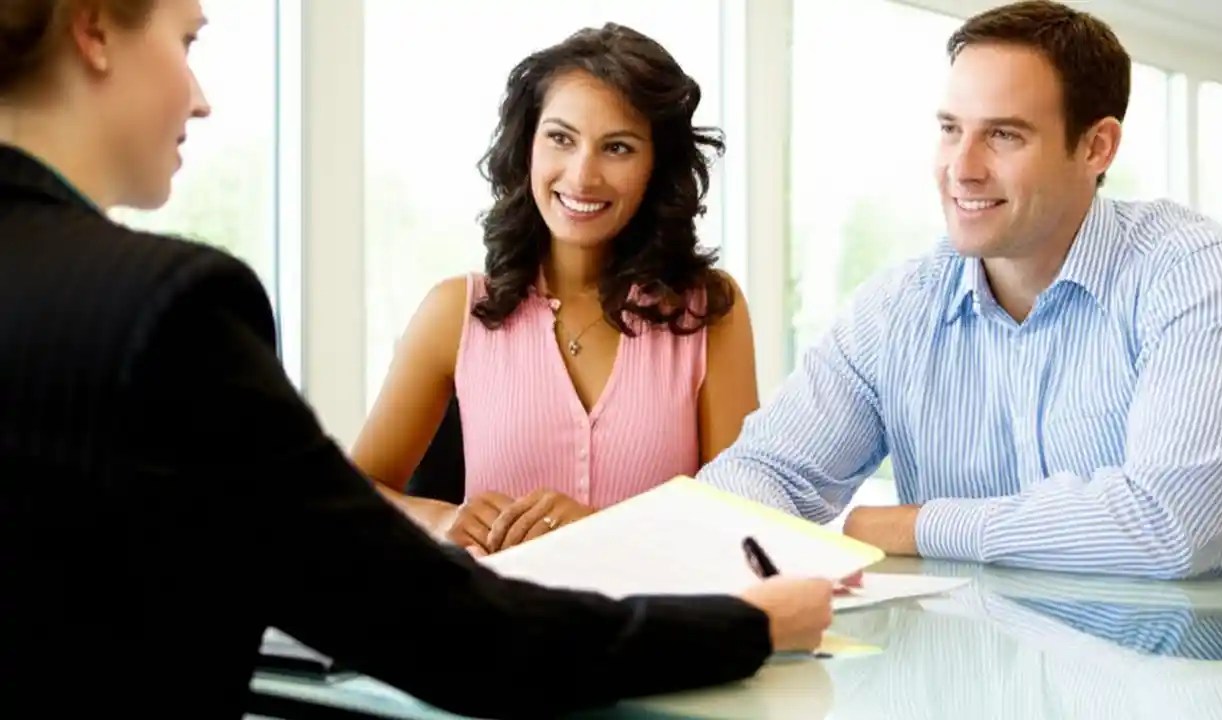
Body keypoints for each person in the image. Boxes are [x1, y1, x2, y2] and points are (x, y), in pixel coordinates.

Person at [0, 2, 835, 717]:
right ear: (93, 33)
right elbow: (426, 619)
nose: (205, 97)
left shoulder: (708, 312)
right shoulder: (169, 307)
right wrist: (750, 626)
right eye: (188, 41)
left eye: (618, 146)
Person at [700, 0, 1222, 579]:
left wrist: (914, 525)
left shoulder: (1203, 276)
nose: (963, 168)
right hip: (960, 665)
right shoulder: (895, 311)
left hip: (1186, 663)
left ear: (1097, 147)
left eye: (1004, 135)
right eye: (951, 129)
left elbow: (1167, 526)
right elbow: (753, 477)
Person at [352, 23, 759, 555]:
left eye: (617, 147)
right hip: (498, 628)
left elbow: (743, 522)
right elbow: (353, 493)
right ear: (528, 146)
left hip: (657, 629)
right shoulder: (455, 312)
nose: (582, 175)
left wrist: (601, 532)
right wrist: (439, 520)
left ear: (656, 168)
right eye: (561, 138)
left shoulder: (709, 311)